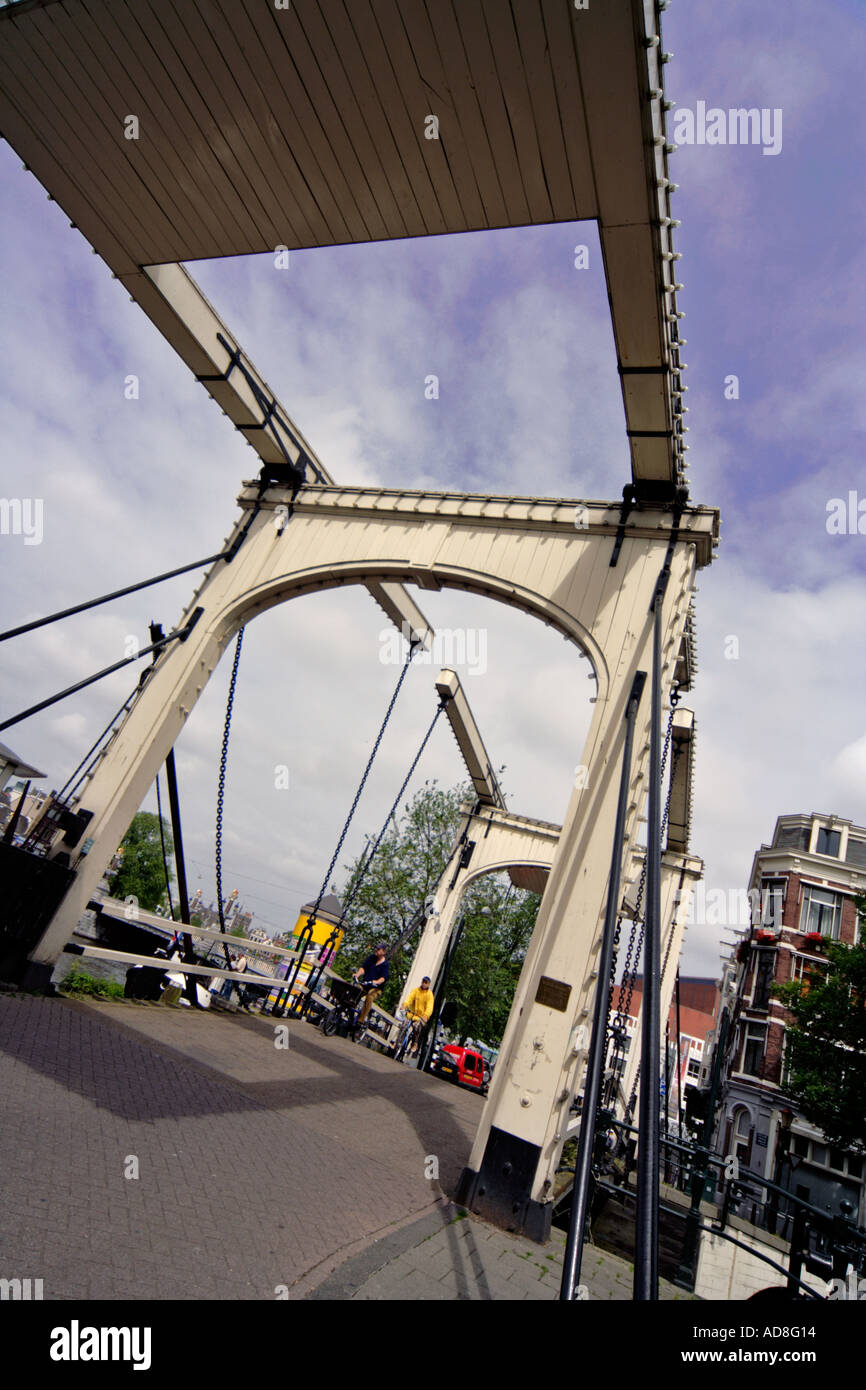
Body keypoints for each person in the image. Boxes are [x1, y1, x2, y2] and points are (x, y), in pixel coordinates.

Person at [353, 942, 389, 1031]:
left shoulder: (385, 965)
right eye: (376, 948)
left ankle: (360, 1021)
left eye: (378, 949)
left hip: (376, 988)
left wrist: (376, 982)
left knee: (369, 996)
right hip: (365, 984)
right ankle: (350, 1010)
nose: (376, 950)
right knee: (356, 989)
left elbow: (383, 978)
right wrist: (357, 974)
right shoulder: (371, 958)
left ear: (383, 952)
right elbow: (363, 968)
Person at [401, 976, 434, 1056]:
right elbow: (410, 998)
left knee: (417, 1027)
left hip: (420, 1017)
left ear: (428, 984)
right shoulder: (416, 990)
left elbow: (430, 1007)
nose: (424, 983)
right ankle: (397, 1041)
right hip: (411, 1014)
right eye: (423, 981)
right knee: (403, 1025)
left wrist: (426, 1015)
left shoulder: (429, 994)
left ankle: (414, 1043)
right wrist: (404, 1005)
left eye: (426, 982)